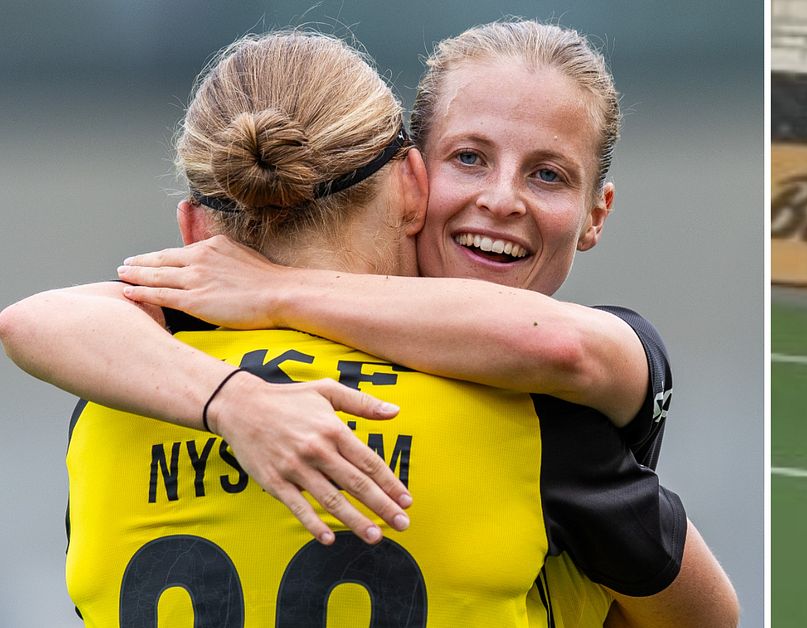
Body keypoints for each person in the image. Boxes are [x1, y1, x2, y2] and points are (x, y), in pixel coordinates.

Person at [0, 28, 737, 627]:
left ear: (194, 229)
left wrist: (251, 347)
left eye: (547, 174)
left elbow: (38, 319)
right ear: (412, 185)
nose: (500, 199)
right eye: (469, 159)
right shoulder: (531, 417)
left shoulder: (112, 403)